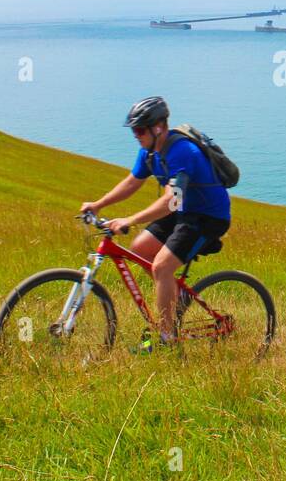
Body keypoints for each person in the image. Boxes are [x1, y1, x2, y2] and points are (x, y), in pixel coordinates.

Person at [79, 96, 230, 350]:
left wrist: (131, 219)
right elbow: (132, 182)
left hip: (207, 216)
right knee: (140, 249)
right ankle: (174, 296)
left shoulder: (183, 152)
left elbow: (172, 200)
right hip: (182, 210)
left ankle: (165, 339)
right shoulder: (149, 152)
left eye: (139, 130)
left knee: (161, 267)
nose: (135, 135)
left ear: (158, 127)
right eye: (134, 130)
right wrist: (98, 204)